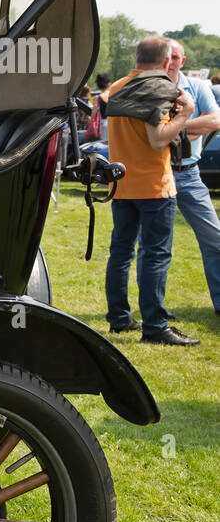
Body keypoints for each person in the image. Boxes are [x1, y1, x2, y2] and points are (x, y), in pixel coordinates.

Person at [104, 36, 197, 345]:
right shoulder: (156, 88)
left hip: (122, 182)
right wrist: (185, 114)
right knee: (154, 255)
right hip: (154, 185)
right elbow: (158, 139)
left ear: (137, 56)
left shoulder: (117, 87)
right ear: (166, 60)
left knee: (120, 253)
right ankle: (155, 326)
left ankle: (119, 319)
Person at [165, 40, 220, 317]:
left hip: (190, 173)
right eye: (167, 56)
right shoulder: (152, 88)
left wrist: (177, 128)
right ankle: (154, 311)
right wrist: (190, 128)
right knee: (156, 247)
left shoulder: (198, 88)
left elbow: (215, 121)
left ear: (182, 60)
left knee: (215, 238)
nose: (171, 61)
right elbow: (151, 134)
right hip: (159, 173)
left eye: (175, 57)